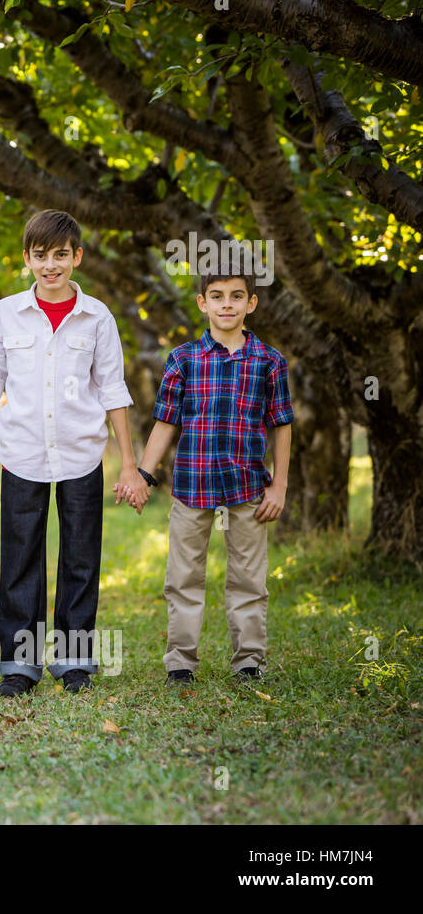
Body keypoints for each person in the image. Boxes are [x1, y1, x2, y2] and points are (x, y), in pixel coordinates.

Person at [0, 210, 146, 697]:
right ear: (27, 258)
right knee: (21, 559)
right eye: (41, 255)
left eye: (61, 255)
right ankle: (20, 669)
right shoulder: (5, 314)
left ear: (77, 258)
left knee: (80, 559)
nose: (51, 265)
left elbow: (113, 391)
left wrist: (129, 464)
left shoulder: (97, 317)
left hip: (82, 455)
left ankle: (75, 663)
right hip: (23, 455)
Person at [135, 268, 293, 685]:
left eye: (237, 296)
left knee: (248, 579)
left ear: (251, 304)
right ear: (203, 303)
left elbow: (281, 424)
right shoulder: (184, 359)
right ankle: (181, 663)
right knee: (184, 576)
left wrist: (279, 484)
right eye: (218, 296)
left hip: (248, 486)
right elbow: (165, 422)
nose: (227, 304)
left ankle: (248, 663)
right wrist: (143, 475)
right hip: (192, 484)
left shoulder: (269, 361)